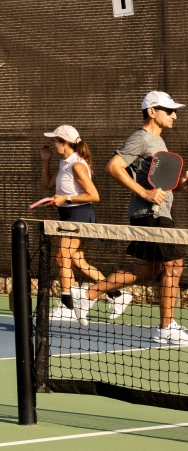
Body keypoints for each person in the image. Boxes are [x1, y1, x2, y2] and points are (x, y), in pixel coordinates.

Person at [78, 91, 184, 344]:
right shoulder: (141, 138)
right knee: (175, 264)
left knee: (147, 269)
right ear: (152, 112)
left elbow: (159, 184)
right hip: (151, 215)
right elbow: (113, 167)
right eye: (168, 110)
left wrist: (181, 184)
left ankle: (87, 295)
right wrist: (145, 194)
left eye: (174, 111)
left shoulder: (158, 142)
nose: (174, 115)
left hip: (157, 212)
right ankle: (165, 328)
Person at [38, 124, 108, 323]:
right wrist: (46, 161)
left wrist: (65, 199)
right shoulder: (64, 163)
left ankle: (67, 304)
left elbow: (94, 195)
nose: (53, 143)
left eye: (55, 140)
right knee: (77, 261)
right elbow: (47, 185)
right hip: (68, 214)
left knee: (61, 257)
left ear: (64, 142)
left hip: (79, 213)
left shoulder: (77, 165)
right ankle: (116, 295)